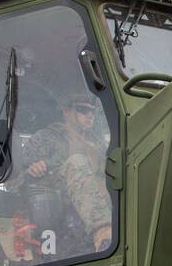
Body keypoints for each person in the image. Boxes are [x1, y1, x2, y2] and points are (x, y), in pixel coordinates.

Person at [20, 92, 113, 252]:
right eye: (83, 110)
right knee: (76, 162)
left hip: (101, 199)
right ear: (66, 111)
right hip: (60, 201)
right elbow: (14, 181)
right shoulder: (46, 138)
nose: (89, 115)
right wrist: (31, 170)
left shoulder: (98, 144)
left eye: (92, 111)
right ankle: (103, 233)